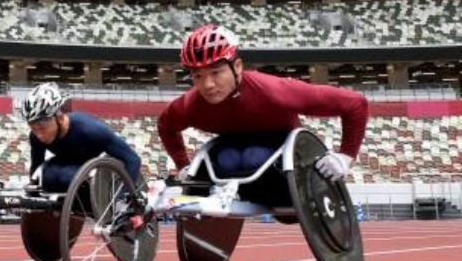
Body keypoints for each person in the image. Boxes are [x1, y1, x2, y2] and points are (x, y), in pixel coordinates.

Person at [158, 24, 369, 187]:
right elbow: (165, 126)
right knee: (226, 160)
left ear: (237, 67)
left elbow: (355, 103)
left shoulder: (274, 91)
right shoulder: (188, 105)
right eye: (198, 75)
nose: (208, 85)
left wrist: (345, 156)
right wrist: (183, 165)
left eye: (216, 72)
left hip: (281, 149)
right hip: (231, 150)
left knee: (252, 158)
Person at [20, 83, 143, 192]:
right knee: (48, 176)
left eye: (42, 128)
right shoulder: (35, 137)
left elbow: (133, 159)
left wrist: (123, 196)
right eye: (33, 128)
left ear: (59, 117)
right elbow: (36, 168)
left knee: (66, 178)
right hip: (63, 165)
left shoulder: (90, 130)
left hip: (94, 168)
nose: (39, 135)